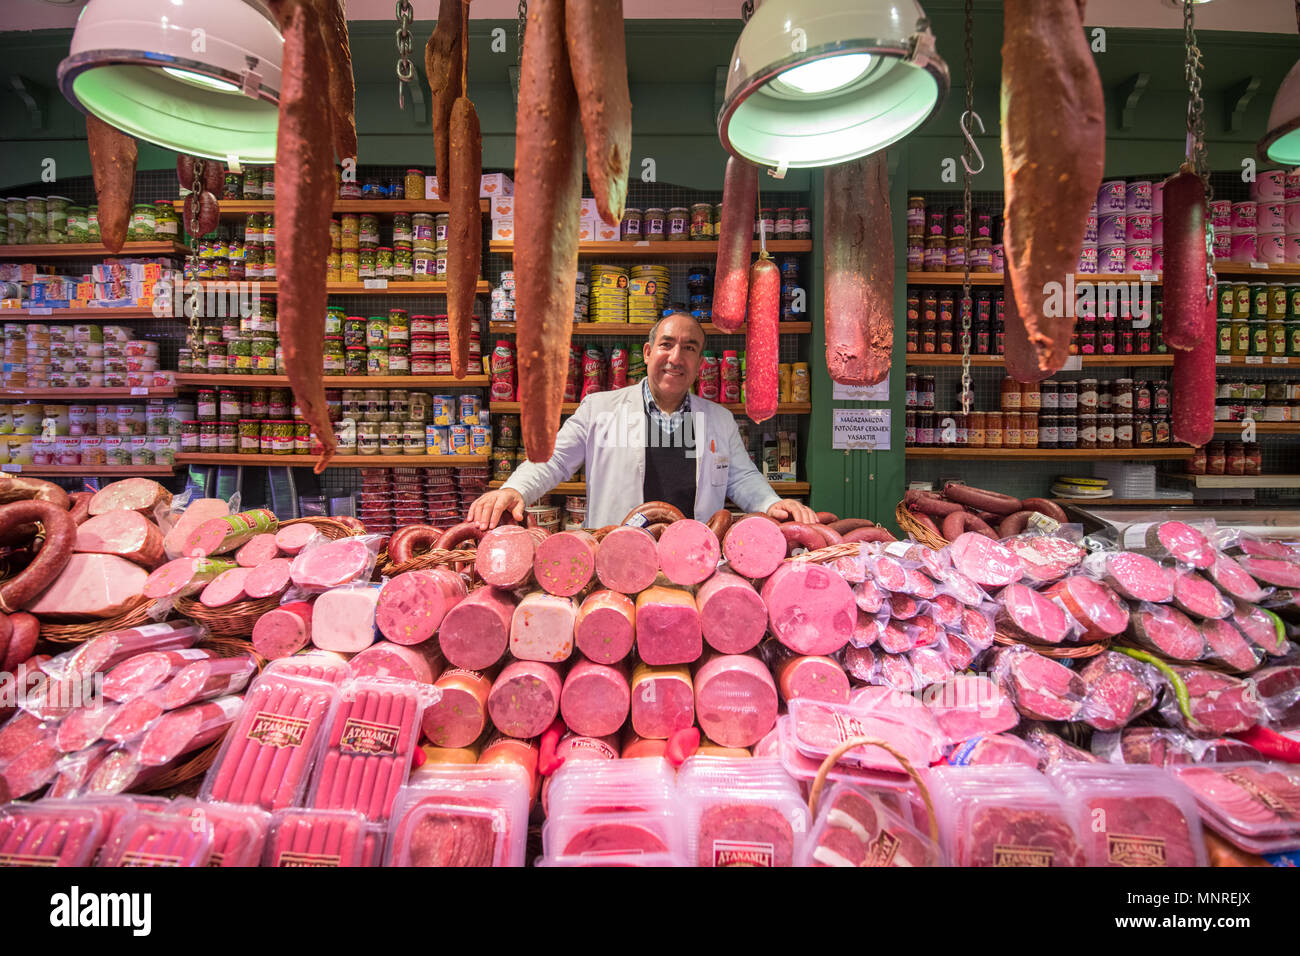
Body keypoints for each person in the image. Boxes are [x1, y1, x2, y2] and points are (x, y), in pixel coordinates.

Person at [468, 311, 818, 529]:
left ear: (698, 363)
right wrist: (515, 489)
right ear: (649, 352)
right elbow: (554, 460)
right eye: (666, 345)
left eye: (690, 348)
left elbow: (742, 478)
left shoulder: (720, 420)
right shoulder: (599, 408)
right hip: (613, 551)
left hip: (690, 557)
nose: (676, 357)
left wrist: (773, 504)